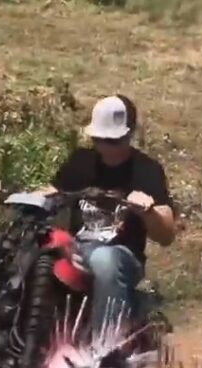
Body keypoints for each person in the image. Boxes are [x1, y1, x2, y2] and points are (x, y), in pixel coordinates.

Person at [43, 94, 180, 336]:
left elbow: (167, 234)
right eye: (99, 139)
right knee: (35, 248)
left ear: (129, 134)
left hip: (121, 255)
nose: (105, 146)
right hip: (76, 247)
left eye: (113, 140)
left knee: (104, 260)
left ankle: (106, 344)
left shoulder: (146, 170)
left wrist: (148, 212)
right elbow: (52, 193)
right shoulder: (81, 161)